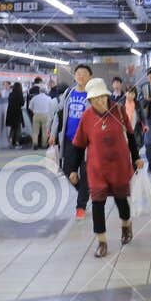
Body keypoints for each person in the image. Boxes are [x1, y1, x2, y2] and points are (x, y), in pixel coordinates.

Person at [68, 78, 136, 258]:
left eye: (102, 97)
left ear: (107, 96)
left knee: (122, 201)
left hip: (119, 167)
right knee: (98, 204)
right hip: (97, 168)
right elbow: (79, 145)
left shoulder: (119, 111)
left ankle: (126, 225)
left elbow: (131, 136)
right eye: (94, 99)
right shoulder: (87, 117)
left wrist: (136, 158)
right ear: (90, 100)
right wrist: (73, 169)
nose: (99, 101)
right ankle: (102, 241)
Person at [51, 65, 94, 218]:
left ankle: (80, 205)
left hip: (88, 142)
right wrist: (53, 133)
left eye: (84, 73)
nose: (80, 76)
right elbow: (58, 114)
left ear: (90, 77)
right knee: (68, 170)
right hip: (69, 139)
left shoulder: (93, 94)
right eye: (78, 73)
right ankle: (86, 190)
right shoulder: (68, 93)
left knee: (85, 172)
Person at [29, 84, 56, 148]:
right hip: (45, 115)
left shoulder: (35, 98)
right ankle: (44, 144)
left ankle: (35, 143)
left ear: (39, 91)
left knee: (35, 131)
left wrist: (35, 111)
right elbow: (51, 107)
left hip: (36, 115)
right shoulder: (48, 98)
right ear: (45, 91)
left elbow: (30, 107)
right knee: (45, 131)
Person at [5, 81, 26, 148]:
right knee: (18, 128)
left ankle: (10, 140)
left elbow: (9, 101)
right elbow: (22, 103)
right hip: (17, 112)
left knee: (12, 127)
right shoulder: (20, 94)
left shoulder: (11, 94)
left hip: (10, 112)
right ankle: (17, 142)